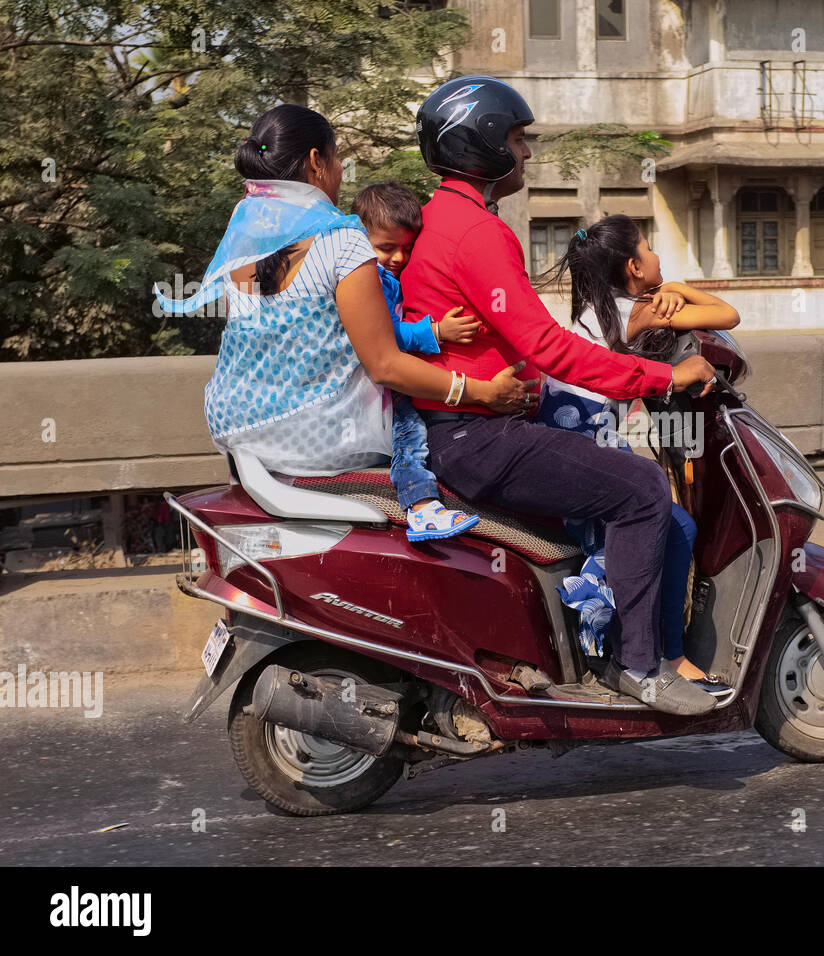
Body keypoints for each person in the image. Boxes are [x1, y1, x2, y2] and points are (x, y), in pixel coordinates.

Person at [400, 76, 719, 716]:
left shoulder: (442, 217)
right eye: (518, 140)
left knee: (641, 495)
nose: (526, 154)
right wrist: (663, 377)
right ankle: (638, 669)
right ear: (484, 145)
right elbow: (546, 345)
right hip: (481, 435)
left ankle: (596, 645)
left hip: (465, 425)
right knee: (643, 489)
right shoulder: (478, 232)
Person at [155, 103, 536, 480]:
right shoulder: (342, 238)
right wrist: (482, 393)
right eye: (337, 160)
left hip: (234, 431)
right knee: (426, 433)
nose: (340, 172)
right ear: (316, 161)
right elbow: (386, 366)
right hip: (316, 440)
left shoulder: (242, 234)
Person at [537, 214, 740, 694]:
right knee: (680, 527)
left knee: (674, 524)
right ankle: (669, 657)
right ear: (632, 266)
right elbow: (728, 315)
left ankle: (663, 650)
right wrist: (682, 289)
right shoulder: (639, 312)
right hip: (585, 449)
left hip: (568, 439)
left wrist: (669, 286)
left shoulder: (598, 307)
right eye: (649, 249)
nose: (657, 257)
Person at [350, 181, 482, 541]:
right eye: (386, 247)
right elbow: (386, 335)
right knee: (410, 439)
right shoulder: (368, 278)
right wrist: (436, 332)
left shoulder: (385, 275)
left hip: (386, 382)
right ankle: (421, 507)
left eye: (406, 249)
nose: (397, 258)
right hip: (383, 383)